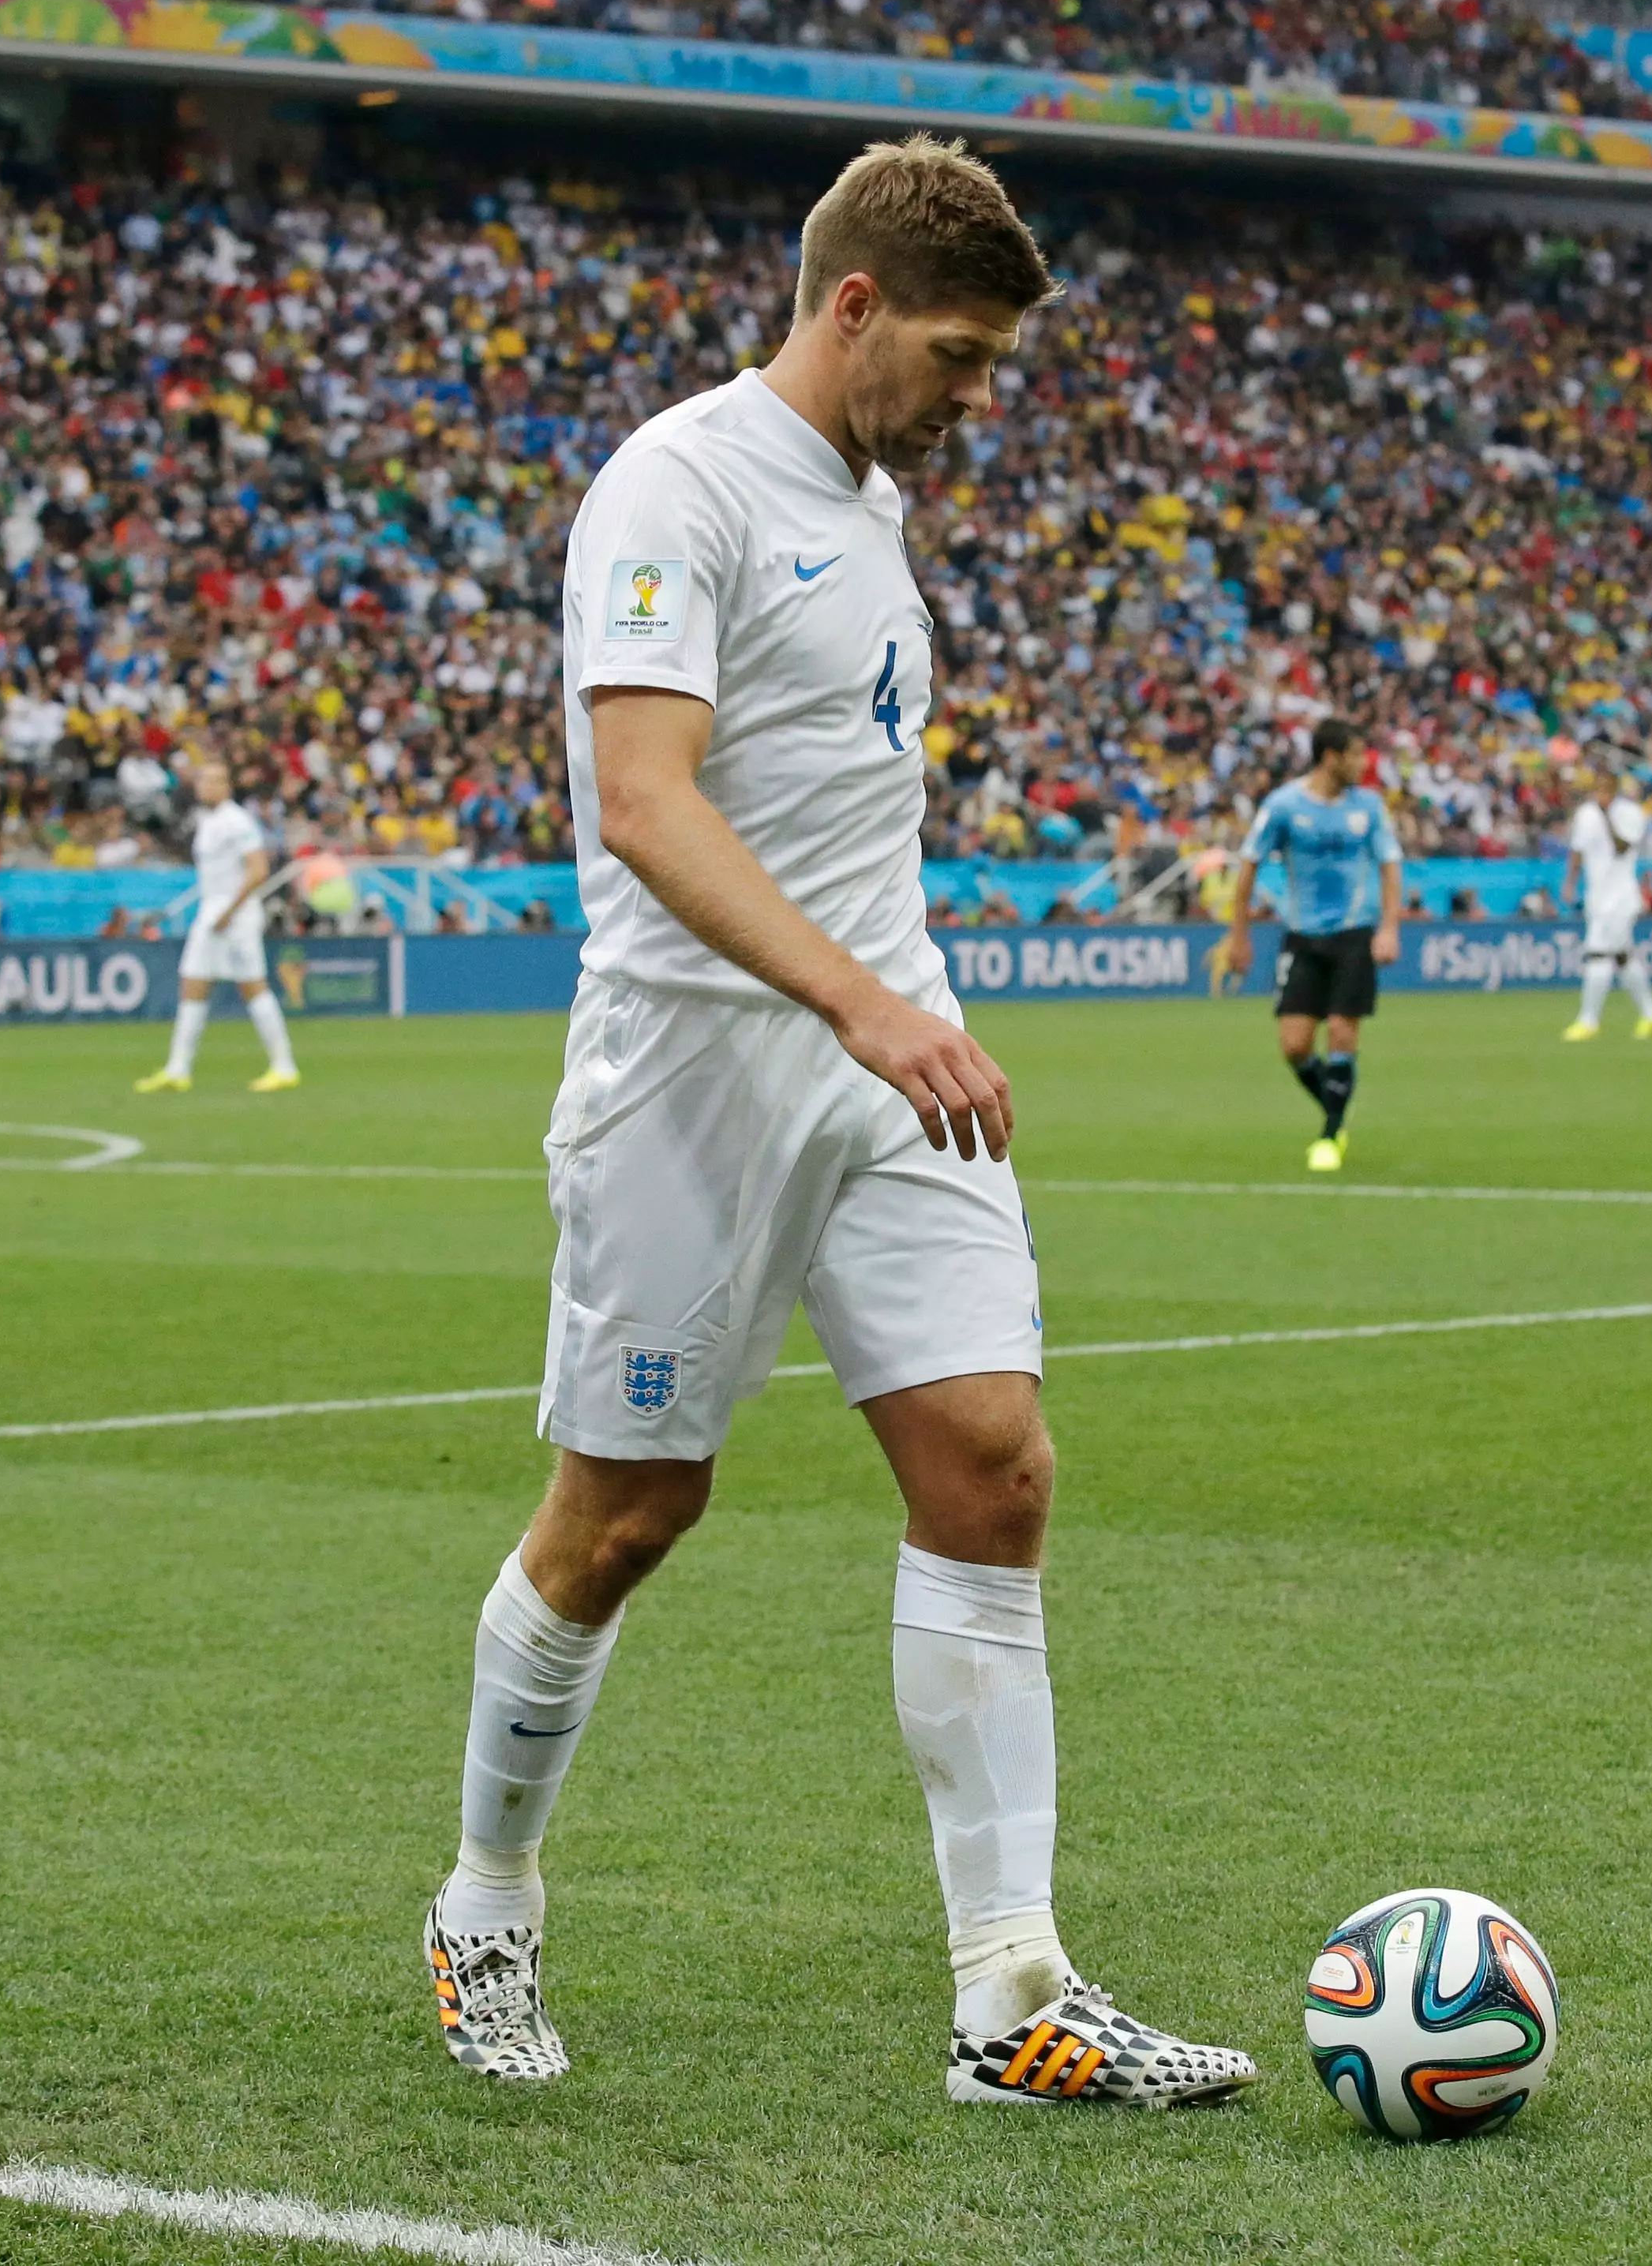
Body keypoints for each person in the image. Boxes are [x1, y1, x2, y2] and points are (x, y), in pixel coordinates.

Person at [425, 134, 1253, 2111]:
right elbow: (646, 802)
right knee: (627, 1516)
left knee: (993, 1467)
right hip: (698, 1073)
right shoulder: (677, 483)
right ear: (852, 305)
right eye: (959, 357)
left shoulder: (869, 504)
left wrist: (896, 1006)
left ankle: (1013, 1995)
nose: (977, 399)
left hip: (889, 1059)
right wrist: (865, 1003)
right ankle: (486, 1903)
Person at [1228, 717, 1403, 1172]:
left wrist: (1389, 928)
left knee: (1343, 1032)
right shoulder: (1284, 806)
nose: (1363, 764)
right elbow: (1248, 867)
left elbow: (1389, 866)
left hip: (1353, 934)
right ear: (1331, 757)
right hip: (1303, 936)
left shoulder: (1369, 807)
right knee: (1294, 1045)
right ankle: (1336, 1108)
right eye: (1356, 755)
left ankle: (1329, 1135)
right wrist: (1239, 936)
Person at [133, 757, 300, 1092]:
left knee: (253, 986)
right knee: (192, 983)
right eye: (202, 781)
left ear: (226, 787)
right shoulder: (206, 820)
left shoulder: (238, 822)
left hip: (235, 916)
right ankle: (178, 1070)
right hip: (211, 912)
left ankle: (284, 1066)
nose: (204, 786)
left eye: (213, 781)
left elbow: (258, 870)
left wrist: (231, 910)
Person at [1560, 762, 1652, 1041]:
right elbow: (1577, 851)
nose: (1602, 794)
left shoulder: (1631, 814)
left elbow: (1623, 847)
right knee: (1622, 957)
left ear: (1616, 791)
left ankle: (1588, 1020)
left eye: (1607, 789)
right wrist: (1570, 884)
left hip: (1621, 898)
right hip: (1597, 896)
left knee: (1598, 953)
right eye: (1598, 789)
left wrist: (1607, 816)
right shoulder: (1585, 814)